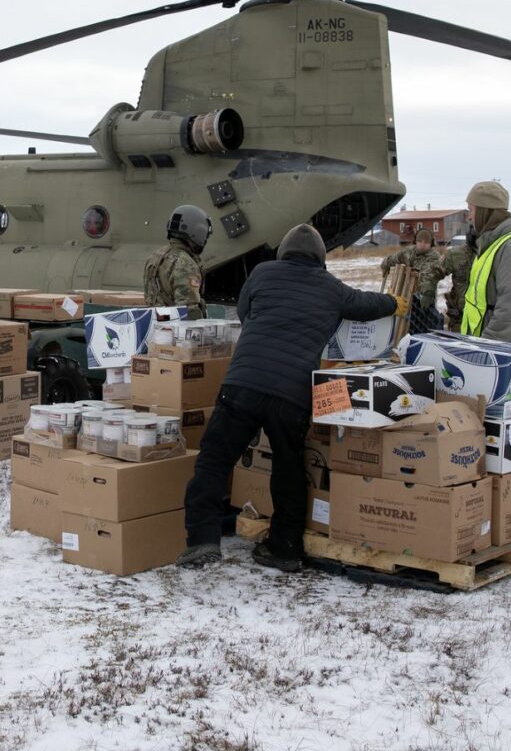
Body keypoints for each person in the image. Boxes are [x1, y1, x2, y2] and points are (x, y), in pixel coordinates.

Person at [178, 224, 404, 572]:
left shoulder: (262, 273)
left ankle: (202, 540)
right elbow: (366, 304)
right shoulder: (332, 288)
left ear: (283, 252)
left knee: (215, 460)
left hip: (243, 384)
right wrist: (394, 303)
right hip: (292, 394)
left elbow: (243, 309)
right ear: (320, 258)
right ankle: (284, 549)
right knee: (288, 469)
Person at [461, 181, 511, 348]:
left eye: (471, 210)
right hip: (492, 352)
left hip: (509, 356)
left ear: (485, 211)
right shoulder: (490, 246)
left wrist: (485, 347)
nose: (469, 217)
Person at [144, 204, 208, 318]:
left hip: (154, 325)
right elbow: (189, 311)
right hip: (175, 330)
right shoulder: (186, 264)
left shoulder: (155, 257)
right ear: (197, 232)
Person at [381, 228, 448, 334]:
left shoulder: (434, 257)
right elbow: (395, 258)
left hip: (423, 298)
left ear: (431, 244)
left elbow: (428, 276)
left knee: (421, 325)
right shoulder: (409, 252)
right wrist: (385, 264)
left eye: (426, 242)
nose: (422, 244)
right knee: (403, 325)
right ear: (415, 241)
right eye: (420, 241)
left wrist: (415, 274)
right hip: (405, 294)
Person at [441, 237, 473, 331]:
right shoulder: (454, 255)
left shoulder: (491, 253)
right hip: (459, 316)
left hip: (484, 316)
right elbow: (439, 276)